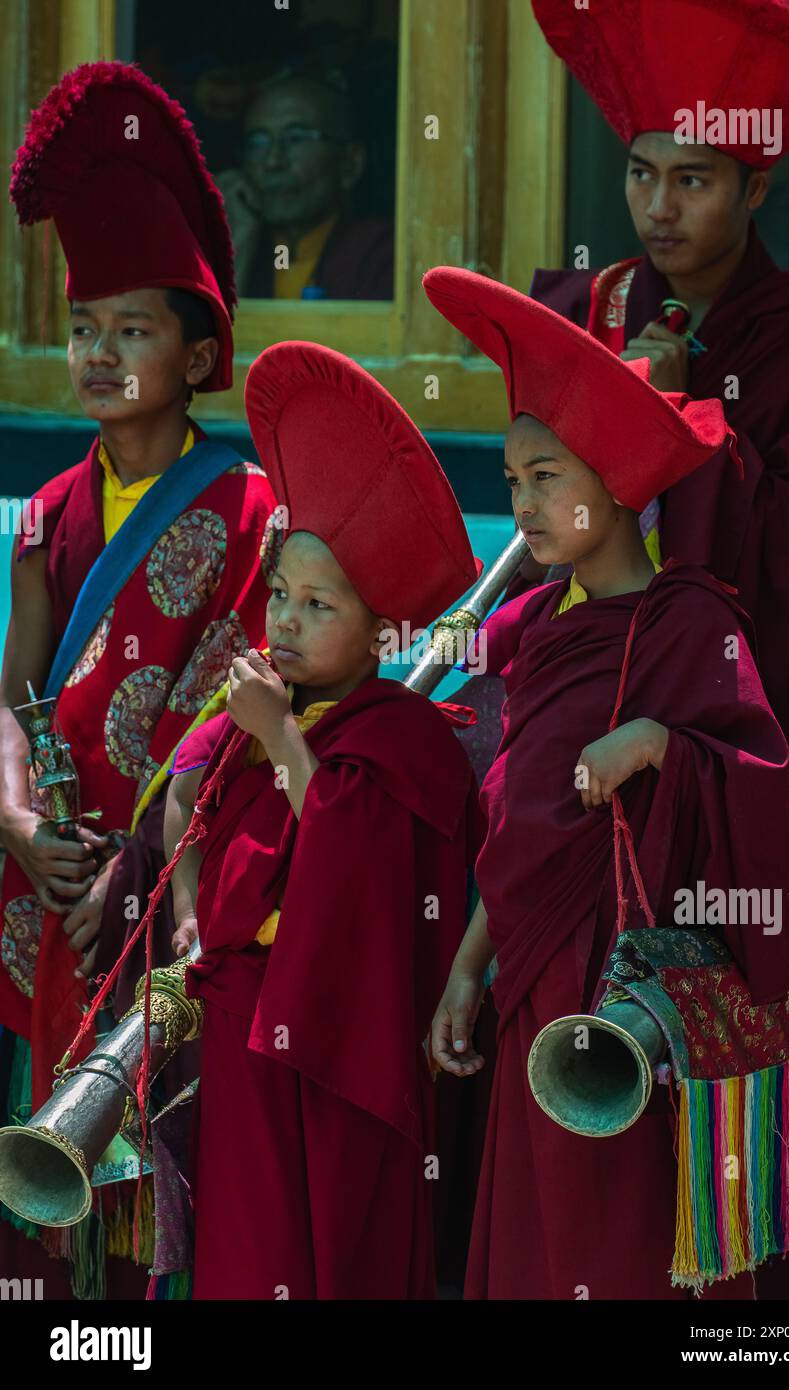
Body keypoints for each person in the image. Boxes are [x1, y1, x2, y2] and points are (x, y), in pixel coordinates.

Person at [424, 266, 789, 1300]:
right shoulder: (531, 628)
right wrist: (470, 964)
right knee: (534, 1242)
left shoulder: (692, 622)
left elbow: (760, 791)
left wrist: (658, 742)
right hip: (532, 983)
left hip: (629, 998)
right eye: (512, 481)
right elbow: (514, 823)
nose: (523, 505)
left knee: (619, 1240)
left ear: (610, 482)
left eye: (546, 477)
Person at [0, 61, 275, 1296]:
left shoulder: (253, 510)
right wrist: (13, 820)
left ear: (200, 349)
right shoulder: (47, 512)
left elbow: (236, 707)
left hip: (156, 885)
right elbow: (10, 697)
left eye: (135, 329)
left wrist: (136, 857)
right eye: (82, 327)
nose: (100, 354)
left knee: (147, 1170)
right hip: (37, 887)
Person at [163, 341, 481, 1299]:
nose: (286, 623)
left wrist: (289, 746)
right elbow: (190, 823)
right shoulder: (256, 720)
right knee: (247, 1249)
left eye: (318, 604)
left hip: (337, 1050)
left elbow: (358, 881)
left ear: (379, 629)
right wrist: (186, 909)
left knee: (330, 1250)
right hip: (238, 1028)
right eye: (278, 596)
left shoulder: (400, 737)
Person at [527, 0, 789, 811]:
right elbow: (538, 512)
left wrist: (691, 425)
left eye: (692, 180)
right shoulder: (590, 314)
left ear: (754, 188)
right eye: (641, 173)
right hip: (582, 690)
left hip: (736, 724)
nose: (659, 209)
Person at [219, 70, 393, 301]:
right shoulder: (242, 247)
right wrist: (234, 248)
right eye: (257, 142)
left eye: (296, 138)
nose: (273, 161)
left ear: (350, 164)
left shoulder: (382, 254)